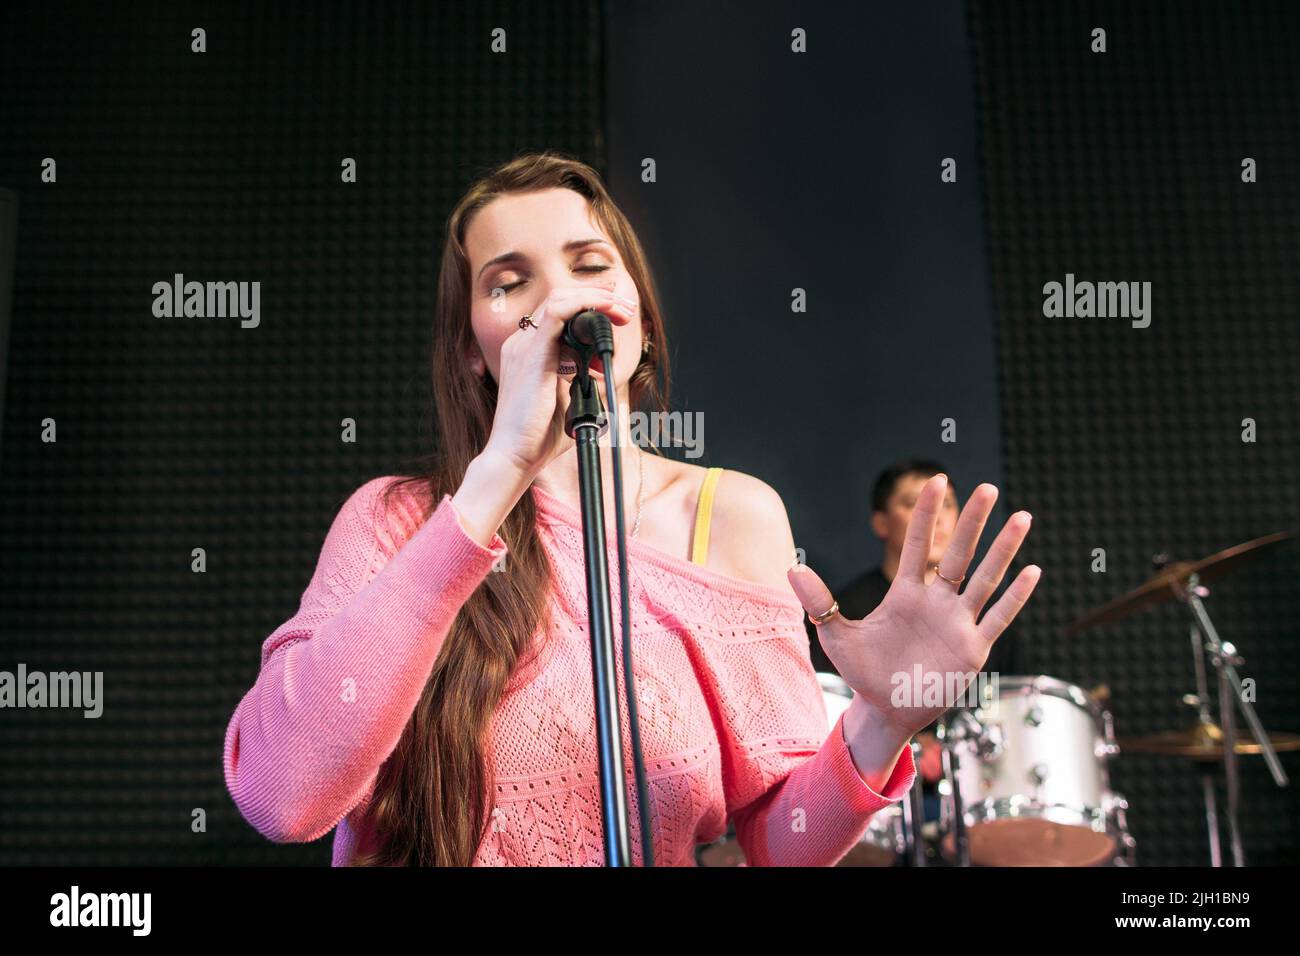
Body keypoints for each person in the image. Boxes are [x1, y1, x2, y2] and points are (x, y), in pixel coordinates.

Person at [221, 151, 1040, 866]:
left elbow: (775, 842)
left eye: (589, 264)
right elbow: (281, 795)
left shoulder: (735, 518)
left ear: (638, 317)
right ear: (473, 348)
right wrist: (494, 480)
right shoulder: (398, 521)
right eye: (510, 282)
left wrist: (885, 718)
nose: (562, 301)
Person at [809, 458, 1022, 828]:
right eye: (914, 503)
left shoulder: (987, 618)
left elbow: (1008, 713)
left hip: (974, 799)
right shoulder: (848, 617)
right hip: (875, 807)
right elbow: (823, 718)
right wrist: (906, 743)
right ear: (881, 523)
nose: (937, 516)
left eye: (948, 504)